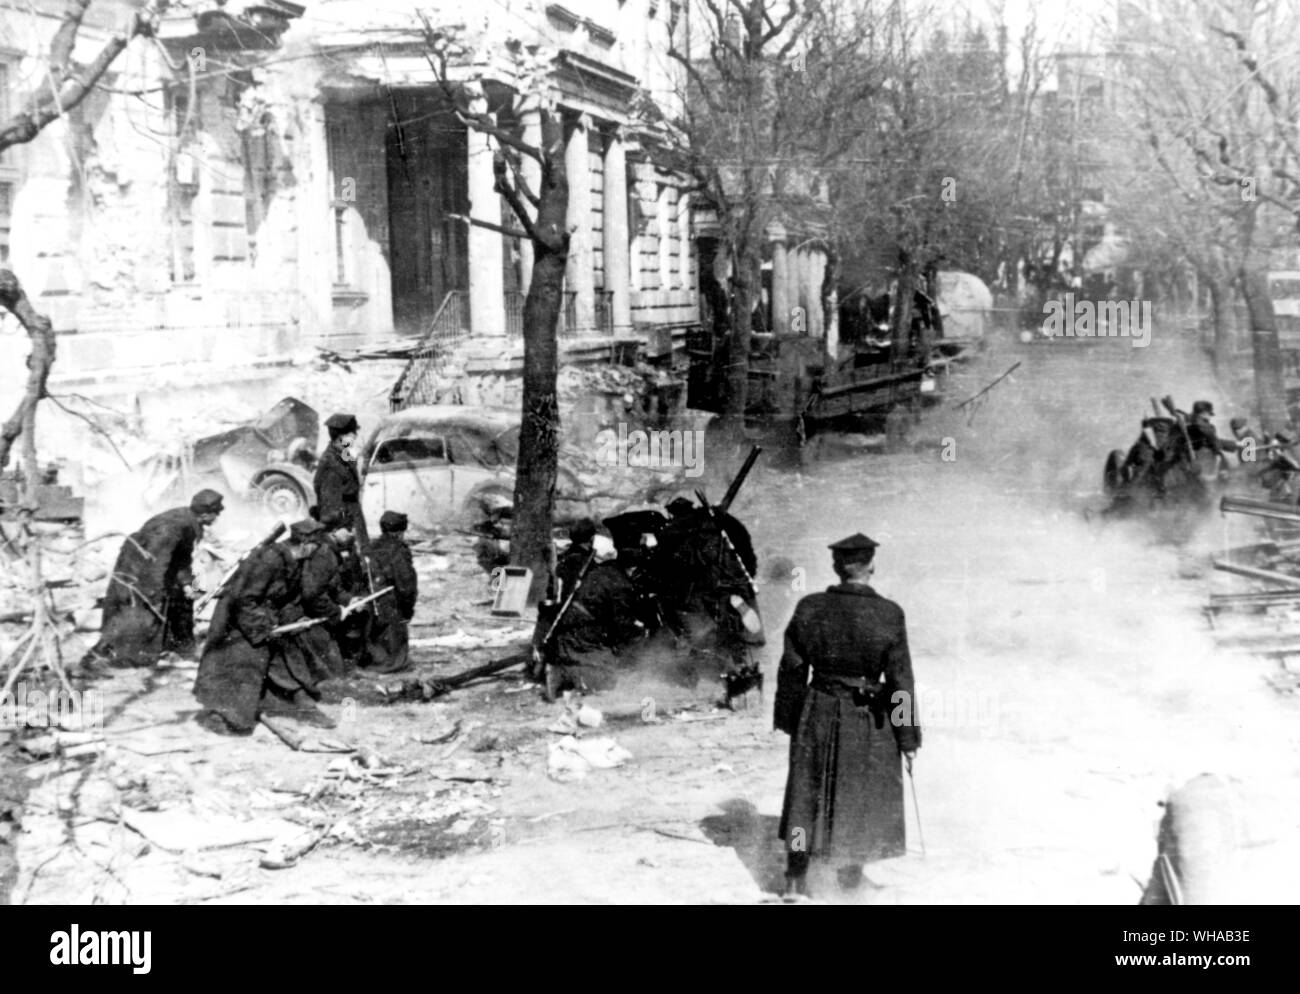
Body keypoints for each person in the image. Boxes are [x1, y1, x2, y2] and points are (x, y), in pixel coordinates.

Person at [774, 533, 921, 897]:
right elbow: (900, 683)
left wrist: (790, 720)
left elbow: (792, 669)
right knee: (858, 794)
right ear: (871, 565)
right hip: (865, 718)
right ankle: (850, 879)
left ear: (836, 566)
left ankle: (795, 877)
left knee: (804, 797)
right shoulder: (889, 613)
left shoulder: (809, 607)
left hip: (817, 710)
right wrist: (907, 738)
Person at [193, 518, 327, 735]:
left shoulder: (294, 561)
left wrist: (294, 621)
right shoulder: (269, 560)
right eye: (315, 547)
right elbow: (244, 599)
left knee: (285, 657)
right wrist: (263, 628)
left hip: (259, 615)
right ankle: (227, 718)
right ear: (303, 544)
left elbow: (286, 599)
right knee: (243, 666)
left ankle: (301, 705)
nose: (315, 552)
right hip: (236, 619)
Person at [84, 489, 224, 669]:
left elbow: (181, 557)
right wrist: (154, 595)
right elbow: (156, 564)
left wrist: (188, 583)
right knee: (137, 613)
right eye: (216, 515)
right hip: (139, 568)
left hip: (154, 564)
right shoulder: (173, 528)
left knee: (178, 602)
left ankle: (180, 649)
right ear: (205, 515)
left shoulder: (188, 520)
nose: (217, 519)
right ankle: (100, 656)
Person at [365, 510, 418, 674]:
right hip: (393, 603)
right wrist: (409, 607)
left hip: (373, 601)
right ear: (400, 532)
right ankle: (393, 663)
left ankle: (379, 659)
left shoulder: (372, 546)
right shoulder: (398, 550)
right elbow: (406, 583)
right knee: (396, 633)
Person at [314, 413, 369, 546]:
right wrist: (341, 530)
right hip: (342, 527)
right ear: (340, 437)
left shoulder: (344, 453)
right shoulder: (330, 464)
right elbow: (329, 504)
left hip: (353, 518)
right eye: (352, 433)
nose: (355, 436)